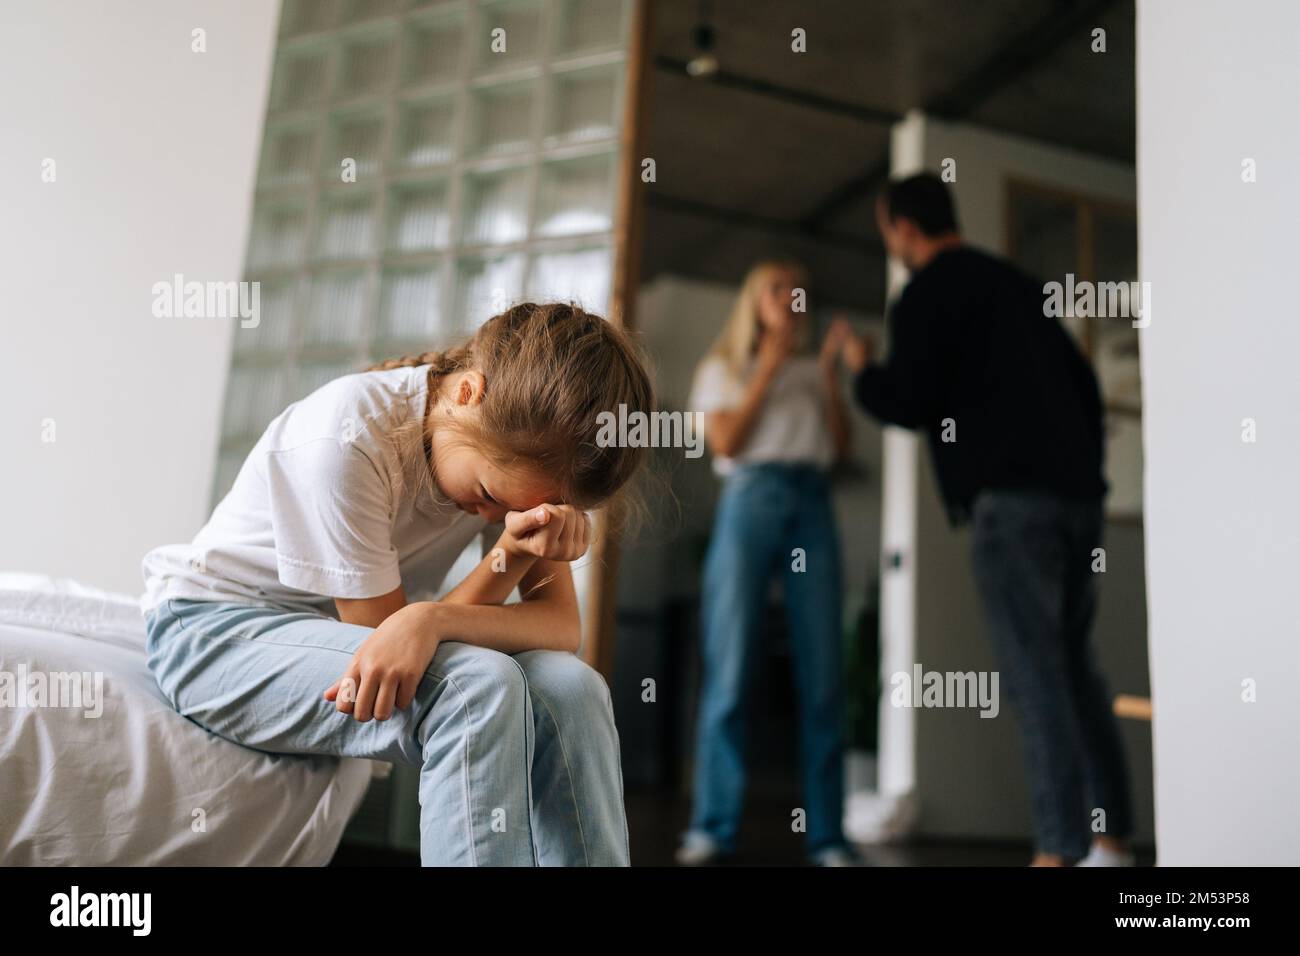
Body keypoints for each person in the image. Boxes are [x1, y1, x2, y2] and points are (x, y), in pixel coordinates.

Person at [141, 302, 654, 866]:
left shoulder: (516, 458)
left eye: (512, 512)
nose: (492, 518)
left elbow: (559, 627)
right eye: (488, 495)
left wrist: (433, 614)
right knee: (474, 688)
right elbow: (384, 644)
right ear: (467, 394)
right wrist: (504, 556)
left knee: (573, 688)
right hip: (210, 631)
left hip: (345, 635)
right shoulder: (348, 439)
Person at [831, 173, 1134, 867]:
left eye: (888, 234)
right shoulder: (1017, 285)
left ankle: (1057, 852)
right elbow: (1085, 389)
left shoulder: (924, 294)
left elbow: (909, 399)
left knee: (1035, 677)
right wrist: (1085, 477)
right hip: (1079, 502)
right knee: (1076, 672)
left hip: (1012, 507)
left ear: (905, 230)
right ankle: (1111, 841)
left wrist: (862, 369)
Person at [678, 258, 861, 867]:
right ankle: (712, 828)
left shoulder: (815, 370)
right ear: (754, 302)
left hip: (812, 500)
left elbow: (841, 449)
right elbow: (726, 442)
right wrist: (769, 370)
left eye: (799, 290)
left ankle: (828, 837)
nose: (791, 298)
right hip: (750, 495)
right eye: (778, 289)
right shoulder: (722, 368)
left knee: (823, 673)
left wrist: (829, 378)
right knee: (729, 664)